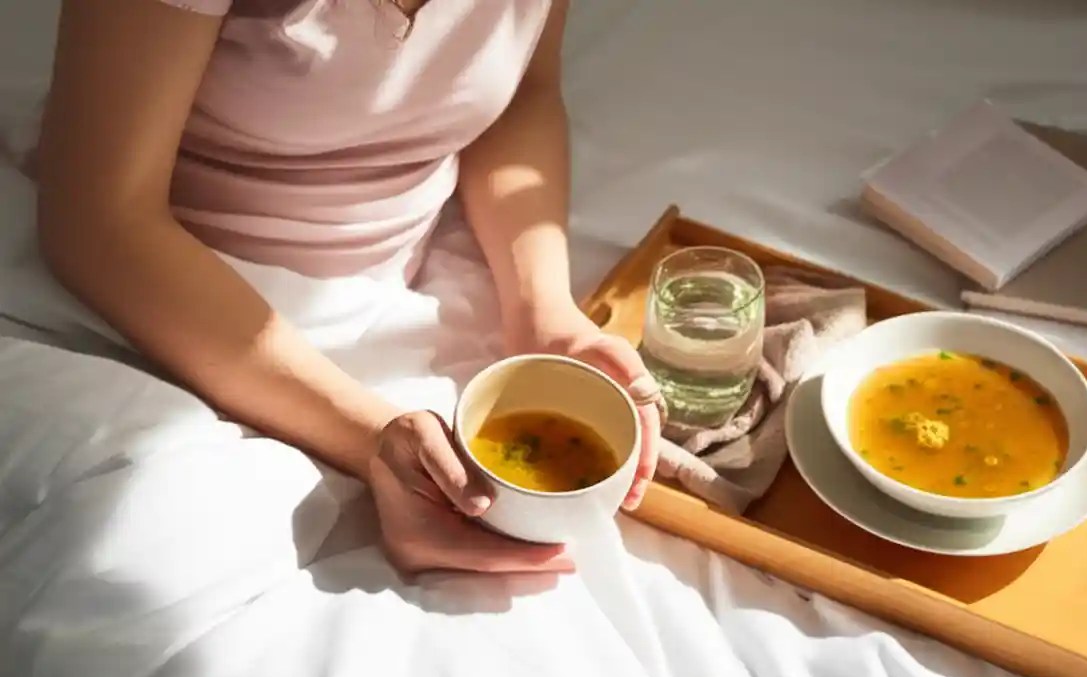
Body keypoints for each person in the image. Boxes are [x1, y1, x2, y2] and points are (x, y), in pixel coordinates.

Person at [35, 0, 661, 576]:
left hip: (404, 297)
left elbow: (523, 92)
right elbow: (95, 224)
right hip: (153, 311)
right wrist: (371, 440)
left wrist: (541, 311)